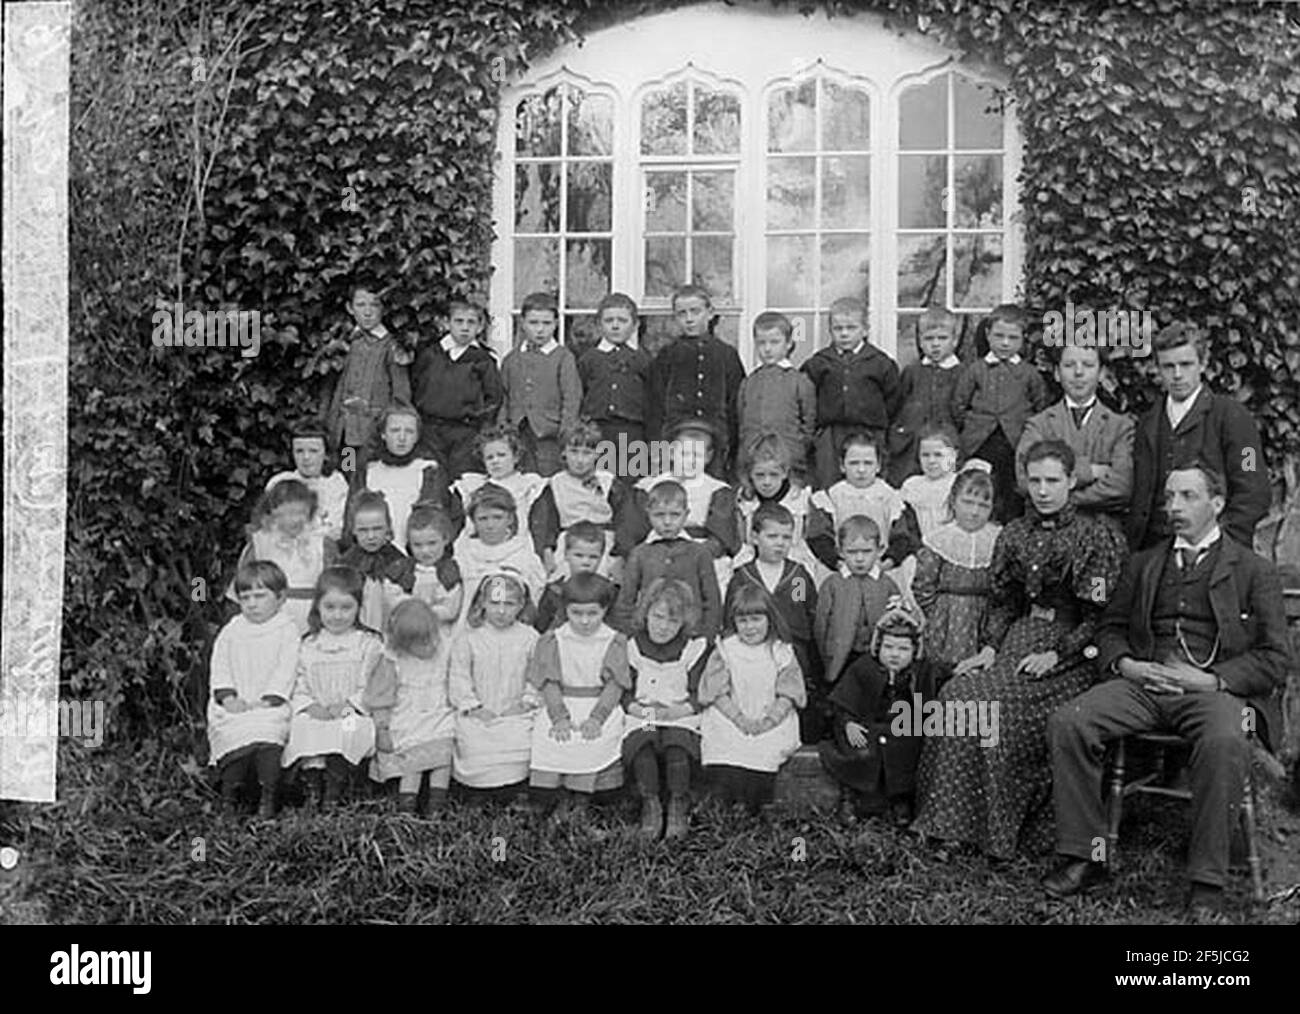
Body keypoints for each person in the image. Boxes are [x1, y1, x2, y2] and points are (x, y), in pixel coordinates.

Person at [1043, 463, 1289, 915]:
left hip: (1214, 693)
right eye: (1170, 497)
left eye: (1188, 497)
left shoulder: (1253, 569)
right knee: (1069, 722)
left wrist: (1213, 679)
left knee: (1223, 739)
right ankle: (1086, 855)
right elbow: (1110, 630)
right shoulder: (1143, 564)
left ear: (1216, 504)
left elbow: (1276, 659)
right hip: (1144, 685)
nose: (1174, 507)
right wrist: (1130, 666)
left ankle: (1206, 883)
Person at [912, 439, 1127, 858]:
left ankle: (995, 831)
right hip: (1018, 642)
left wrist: (1060, 654)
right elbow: (1004, 601)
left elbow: (1098, 614)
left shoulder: (1096, 537)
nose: (1043, 490)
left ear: (1070, 482)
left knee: (997, 712)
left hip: (1072, 656)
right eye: (1035, 481)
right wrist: (991, 647)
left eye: (1053, 480)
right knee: (959, 694)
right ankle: (947, 824)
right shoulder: (1014, 534)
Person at [1128, 322, 1270, 551]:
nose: (1177, 375)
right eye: (1168, 366)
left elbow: (1254, 490)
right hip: (1154, 552)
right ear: (1157, 369)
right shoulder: (1149, 423)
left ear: (1202, 364)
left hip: (1215, 551)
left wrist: (1220, 542)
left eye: (1186, 364)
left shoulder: (1233, 416)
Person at [819, 605, 949, 827]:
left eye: (902, 649)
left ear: (914, 650)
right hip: (866, 726)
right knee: (859, 750)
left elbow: (944, 675)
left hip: (901, 728)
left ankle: (901, 800)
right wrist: (848, 723)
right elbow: (843, 701)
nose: (894, 654)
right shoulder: (863, 667)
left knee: (905, 750)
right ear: (878, 646)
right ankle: (850, 797)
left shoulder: (921, 672)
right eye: (888, 647)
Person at [527, 573, 631, 822]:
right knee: (549, 734)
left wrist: (597, 717)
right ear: (566, 610)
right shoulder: (555, 639)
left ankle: (581, 798)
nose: (584, 621)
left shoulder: (613, 641)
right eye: (577, 613)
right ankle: (556, 797)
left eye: (592, 614)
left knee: (595, 738)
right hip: (561, 702)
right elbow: (549, 682)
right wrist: (559, 717)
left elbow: (615, 685)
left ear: (604, 610)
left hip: (599, 703)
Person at [699, 582, 805, 813]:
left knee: (764, 747)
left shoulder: (780, 650)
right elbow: (717, 691)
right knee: (725, 739)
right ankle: (724, 799)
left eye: (756, 619)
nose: (749, 627)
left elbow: (788, 692)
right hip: (733, 712)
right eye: (743, 621)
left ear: (769, 618)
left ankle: (757, 803)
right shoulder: (727, 648)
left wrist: (768, 721)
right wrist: (739, 719)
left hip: (771, 715)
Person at [283, 566, 383, 810]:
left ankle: (335, 787)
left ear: (359, 607)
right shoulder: (309, 643)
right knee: (303, 727)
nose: (337, 615)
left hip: (350, 710)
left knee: (348, 729)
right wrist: (310, 705)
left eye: (346, 607)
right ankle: (313, 788)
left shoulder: (368, 643)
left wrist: (349, 705)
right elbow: (298, 681)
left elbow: (372, 684)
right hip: (317, 709)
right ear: (318, 606)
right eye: (330, 607)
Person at [622, 579, 714, 840]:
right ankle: (651, 805)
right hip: (646, 712)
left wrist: (684, 708)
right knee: (645, 742)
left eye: (672, 621)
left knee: (677, 744)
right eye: (658, 617)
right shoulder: (633, 646)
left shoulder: (692, 648)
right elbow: (624, 688)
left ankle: (678, 803)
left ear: (684, 622)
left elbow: (700, 691)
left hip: (678, 713)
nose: (663, 627)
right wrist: (636, 707)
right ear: (646, 613)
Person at [207, 560, 299, 818]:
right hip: (235, 701)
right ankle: (230, 796)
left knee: (267, 729)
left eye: (260, 596)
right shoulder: (232, 630)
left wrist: (270, 698)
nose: (252, 604)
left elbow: (286, 667)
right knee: (232, 728)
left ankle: (267, 797)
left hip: (270, 703)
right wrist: (228, 697)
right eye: (245, 597)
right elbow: (220, 665)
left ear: (280, 598)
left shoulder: (287, 629)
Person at [725, 503, 822, 743]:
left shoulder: (796, 576)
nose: (780, 543)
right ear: (755, 537)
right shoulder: (743, 577)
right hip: (752, 653)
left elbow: (805, 611)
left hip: (791, 652)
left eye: (786, 537)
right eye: (772, 536)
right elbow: (730, 619)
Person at [618, 418, 741, 596]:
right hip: (655, 554)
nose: (689, 461)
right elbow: (630, 534)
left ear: (708, 456)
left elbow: (722, 540)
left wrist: (689, 557)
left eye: (696, 455)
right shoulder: (647, 486)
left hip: (701, 555)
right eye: (684, 453)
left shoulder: (717, 490)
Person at [952, 304, 1050, 523]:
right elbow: (959, 404)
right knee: (978, 487)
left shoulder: (1029, 373)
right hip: (980, 443)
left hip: (1014, 444)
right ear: (987, 335)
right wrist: (972, 426)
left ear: (1023, 339)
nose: (1005, 343)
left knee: (1010, 493)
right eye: (999, 336)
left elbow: (1040, 405)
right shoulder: (976, 370)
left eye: (1013, 338)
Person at [1016, 343, 1134, 524]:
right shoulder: (1039, 425)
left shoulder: (1120, 427)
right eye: (1069, 365)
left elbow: (1121, 486)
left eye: (1088, 365)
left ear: (1101, 373)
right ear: (1056, 373)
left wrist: (1060, 497)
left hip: (1103, 530)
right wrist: (1091, 471)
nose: (1078, 373)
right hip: (1048, 530)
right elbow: (1024, 479)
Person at [448, 571, 540, 798]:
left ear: (521, 605)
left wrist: (527, 702)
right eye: (495, 602)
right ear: (482, 603)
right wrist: (473, 706)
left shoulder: (530, 637)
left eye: (509, 604)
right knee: (473, 740)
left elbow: (537, 675)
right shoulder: (469, 638)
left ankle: (515, 790)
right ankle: (477, 793)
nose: (501, 610)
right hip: (479, 710)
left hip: (517, 710)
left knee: (521, 737)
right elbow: (459, 676)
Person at [365, 598, 456, 817]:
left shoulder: (445, 647)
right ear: (403, 644)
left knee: (443, 757)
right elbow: (381, 698)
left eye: (430, 638)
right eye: (420, 643)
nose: (429, 646)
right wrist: (382, 729)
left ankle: (437, 804)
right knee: (412, 764)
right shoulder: (393, 660)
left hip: (438, 714)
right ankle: (407, 806)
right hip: (407, 717)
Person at [645, 284, 745, 479]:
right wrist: (657, 449)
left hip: (716, 441)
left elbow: (736, 404)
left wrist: (732, 448)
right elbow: (655, 406)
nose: (689, 319)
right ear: (675, 317)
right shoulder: (667, 355)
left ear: (710, 313)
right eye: (682, 313)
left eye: (695, 311)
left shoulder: (726, 354)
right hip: (676, 440)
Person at [802, 296, 901, 490]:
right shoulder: (819, 362)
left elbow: (893, 399)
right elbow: (806, 397)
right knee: (829, 484)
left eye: (851, 328)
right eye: (838, 329)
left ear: (864, 330)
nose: (844, 334)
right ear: (830, 330)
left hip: (869, 431)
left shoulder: (880, 363)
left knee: (867, 482)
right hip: (831, 435)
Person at [911, 466, 1001, 666]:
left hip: (984, 618)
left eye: (983, 505)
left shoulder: (998, 539)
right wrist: (939, 614)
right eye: (967, 503)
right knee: (943, 669)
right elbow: (923, 586)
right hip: (947, 619)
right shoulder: (940, 539)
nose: (974, 511)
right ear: (953, 501)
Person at [612, 479, 722, 638]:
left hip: (691, 636)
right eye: (659, 515)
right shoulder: (640, 553)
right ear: (648, 513)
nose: (667, 522)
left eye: (675, 515)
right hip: (648, 636)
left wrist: (707, 637)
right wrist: (628, 636)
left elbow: (712, 600)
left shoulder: (699, 552)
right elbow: (625, 601)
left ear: (686, 514)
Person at [528, 419, 631, 580]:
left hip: (604, 543)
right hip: (568, 542)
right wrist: (547, 552)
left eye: (587, 453)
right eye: (574, 452)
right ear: (563, 452)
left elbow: (626, 521)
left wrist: (620, 556)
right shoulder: (555, 484)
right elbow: (546, 523)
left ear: (597, 454)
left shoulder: (609, 483)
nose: (580, 460)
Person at [410, 298, 502, 478]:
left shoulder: (483, 360)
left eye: (471, 322)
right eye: (459, 321)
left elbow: (493, 398)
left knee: (462, 479)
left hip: (466, 433)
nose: (465, 328)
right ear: (446, 323)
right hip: (430, 431)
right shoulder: (429, 355)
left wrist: (480, 429)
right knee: (432, 477)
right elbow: (415, 387)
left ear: (480, 327)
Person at [324, 280, 412, 464]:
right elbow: (332, 389)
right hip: (343, 433)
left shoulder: (392, 346)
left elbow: (401, 395)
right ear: (350, 308)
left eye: (374, 305)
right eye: (361, 305)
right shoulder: (347, 341)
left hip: (372, 434)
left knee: (368, 480)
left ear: (383, 309)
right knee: (348, 476)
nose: (367, 312)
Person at [807, 432, 917, 576]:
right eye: (854, 463)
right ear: (842, 465)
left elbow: (902, 537)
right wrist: (838, 563)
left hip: (881, 566)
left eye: (868, 463)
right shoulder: (831, 497)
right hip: (841, 567)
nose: (861, 470)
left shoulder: (890, 497)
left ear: (878, 466)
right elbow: (820, 537)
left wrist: (889, 561)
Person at [499, 292, 582, 476]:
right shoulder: (511, 359)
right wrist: (504, 429)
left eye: (546, 323)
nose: (540, 329)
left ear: (556, 324)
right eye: (533, 323)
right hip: (517, 434)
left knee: (548, 480)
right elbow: (503, 397)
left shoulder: (563, 357)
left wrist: (566, 433)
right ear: (522, 323)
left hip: (550, 435)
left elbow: (571, 398)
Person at [813, 515, 901, 689]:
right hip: (840, 656)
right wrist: (825, 655)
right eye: (852, 552)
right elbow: (820, 624)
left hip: (875, 655)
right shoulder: (832, 584)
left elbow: (896, 618)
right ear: (840, 552)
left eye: (867, 551)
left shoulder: (888, 584)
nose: (859, 558)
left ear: (880, 550)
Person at [229, 478, 326, 634]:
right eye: (287, 513)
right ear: (273, 512)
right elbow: (242, 586)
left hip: (312, 619)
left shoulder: (321, 544)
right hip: (270, 619)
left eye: (300, 513)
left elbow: (335, 586)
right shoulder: (261, 543)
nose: (294, 520)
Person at [733, 433, 829, 586]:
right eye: (760, 475)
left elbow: (818, 537)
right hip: (755, 564)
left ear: (784, 473)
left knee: (798, 595)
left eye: (773, 475)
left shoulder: (801, 500)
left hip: (794, 564)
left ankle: (798, 606)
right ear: (750, 474)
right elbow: (740, 541)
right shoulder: (744, 502)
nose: (767, 482)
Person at [361, 402, 457, 549]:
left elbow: (433, 519)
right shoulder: (368, 469)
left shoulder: (429, 470)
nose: (402, 438)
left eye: (409, 431)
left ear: (417, 436)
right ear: (383, 434)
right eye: (395, 430)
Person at [888, 308, 966, 486]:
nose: (935, 344)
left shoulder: (963, 373)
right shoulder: (912, 372)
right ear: (921, 342)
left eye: (942, 338)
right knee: (912, 488)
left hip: (949, 444)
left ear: (954, 340)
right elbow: (899, 407)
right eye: (929, 339)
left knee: (947, 485)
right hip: (913, 445)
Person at [451, 484, 548, 626]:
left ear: (510, 519)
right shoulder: (462, 552)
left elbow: (532, 602)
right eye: (483, 519)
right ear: (473, 521)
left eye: (497, 517)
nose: (490, 525)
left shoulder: (524, 556)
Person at [737, 311, 817, 478]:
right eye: (761, 343)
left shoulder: (799, 381)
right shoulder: (749, 382)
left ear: (788, 344)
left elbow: (809, 422)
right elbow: (741, 420)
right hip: (754, 460)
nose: (767, 349)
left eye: (774, 342)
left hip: (790, 460)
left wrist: (797, 448)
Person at [577, 292, 652, 467]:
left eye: (622, 321)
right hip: (597, 430)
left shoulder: (642, 359)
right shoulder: (589, 358)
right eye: (609, 321)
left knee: (631, 481)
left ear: (635, 325)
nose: (615, 326)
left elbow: (651, 397)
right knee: (600, 480)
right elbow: (580, 393)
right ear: (599, 324)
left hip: (633, 431)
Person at [337, 491, 415, 633]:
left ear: (388, 526)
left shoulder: (398, 560)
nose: (371, 536)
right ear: (353, 529)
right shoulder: (346, 563)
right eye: (363, 530)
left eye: (377, 528)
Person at [452, 422, 545, 536]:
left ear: (515, 457)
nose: (495, 461)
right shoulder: (474, 485)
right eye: (489, 457)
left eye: (501, 455)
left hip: (517, 543)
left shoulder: (528, 485)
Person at [265, 421, 349, 545]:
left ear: (326, 454)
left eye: (313, 451)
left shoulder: (336, 483)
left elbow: (338, 527)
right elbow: (269, 525)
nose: (306, 457)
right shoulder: (280, 483)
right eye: (299, 451)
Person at [533, 520, 607, 633]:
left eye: (593, 557)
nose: (586, 562)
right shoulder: (554, 591)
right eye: (579, 555)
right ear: (566, 554)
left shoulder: (609, 591)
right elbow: (541, 628)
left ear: (601, 557)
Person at [405, 504, 463, 633]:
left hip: (439, 634)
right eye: (417, 545)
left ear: (445, 539)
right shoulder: (403, 570)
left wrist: (421, 611)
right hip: (407, 632)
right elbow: (393, 599)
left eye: (432, 543)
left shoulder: (449, 572)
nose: (425, 551)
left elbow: (450, 610)